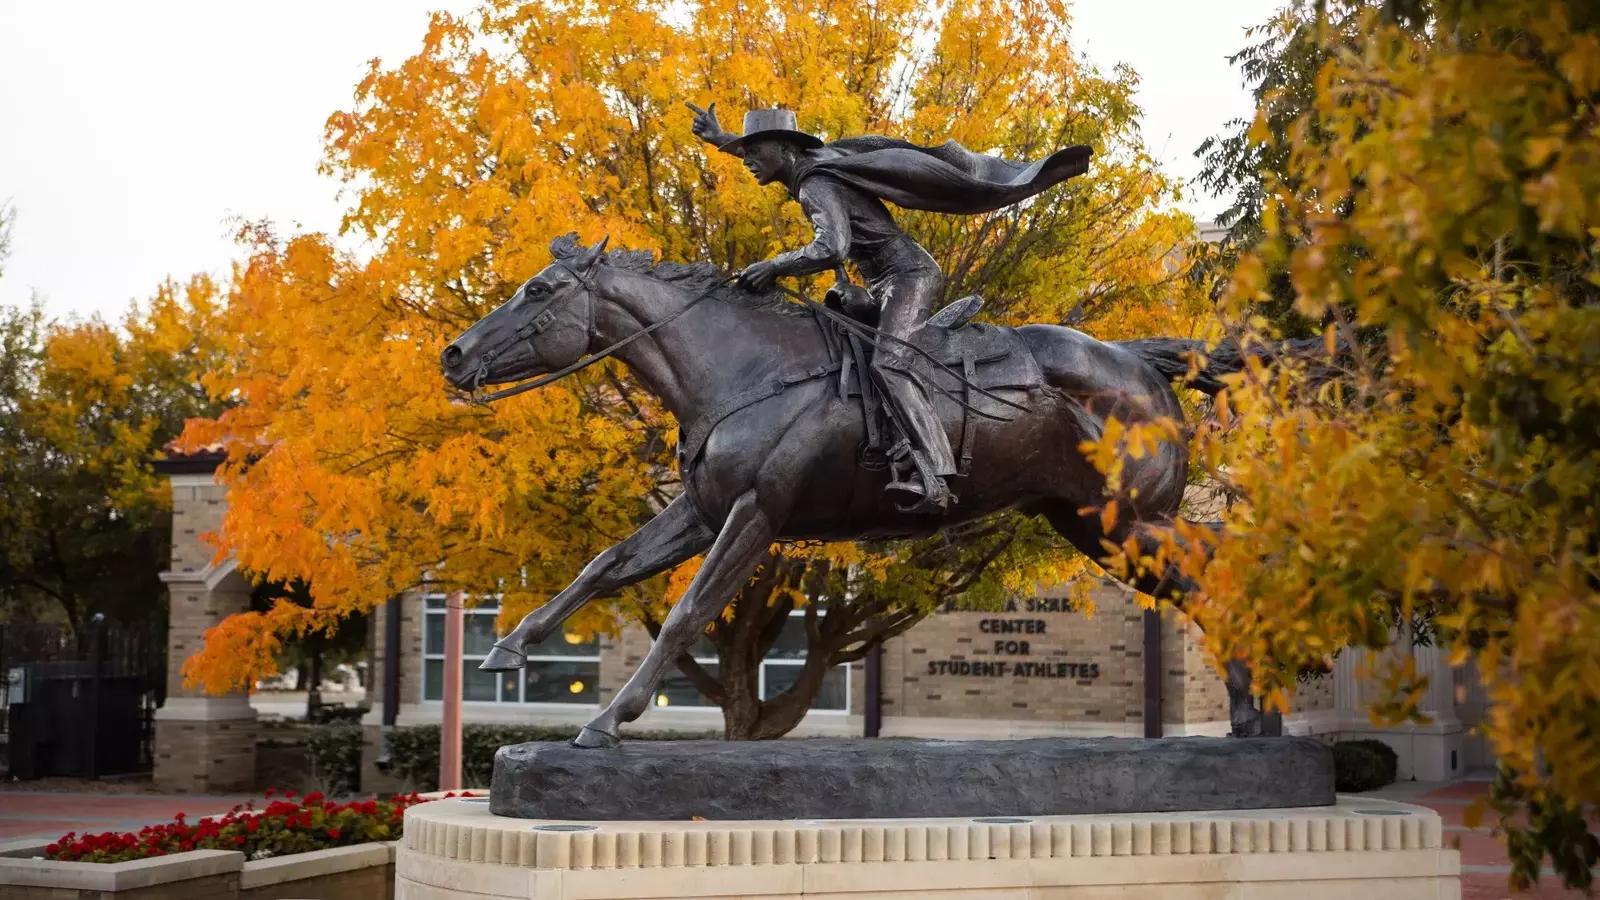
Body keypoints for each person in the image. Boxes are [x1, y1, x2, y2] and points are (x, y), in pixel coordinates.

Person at [688, 103, 1091, 514]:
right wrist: (721, 140)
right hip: (884, 283)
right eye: (746, 151)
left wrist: (774, 266)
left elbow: (832, 247)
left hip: (908, 276)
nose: (749, 160)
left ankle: (934, 470)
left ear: (784, 149)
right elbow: (786, 180)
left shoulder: (815, 184)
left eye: (755, 150)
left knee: (889, 363)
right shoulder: (811, 168)